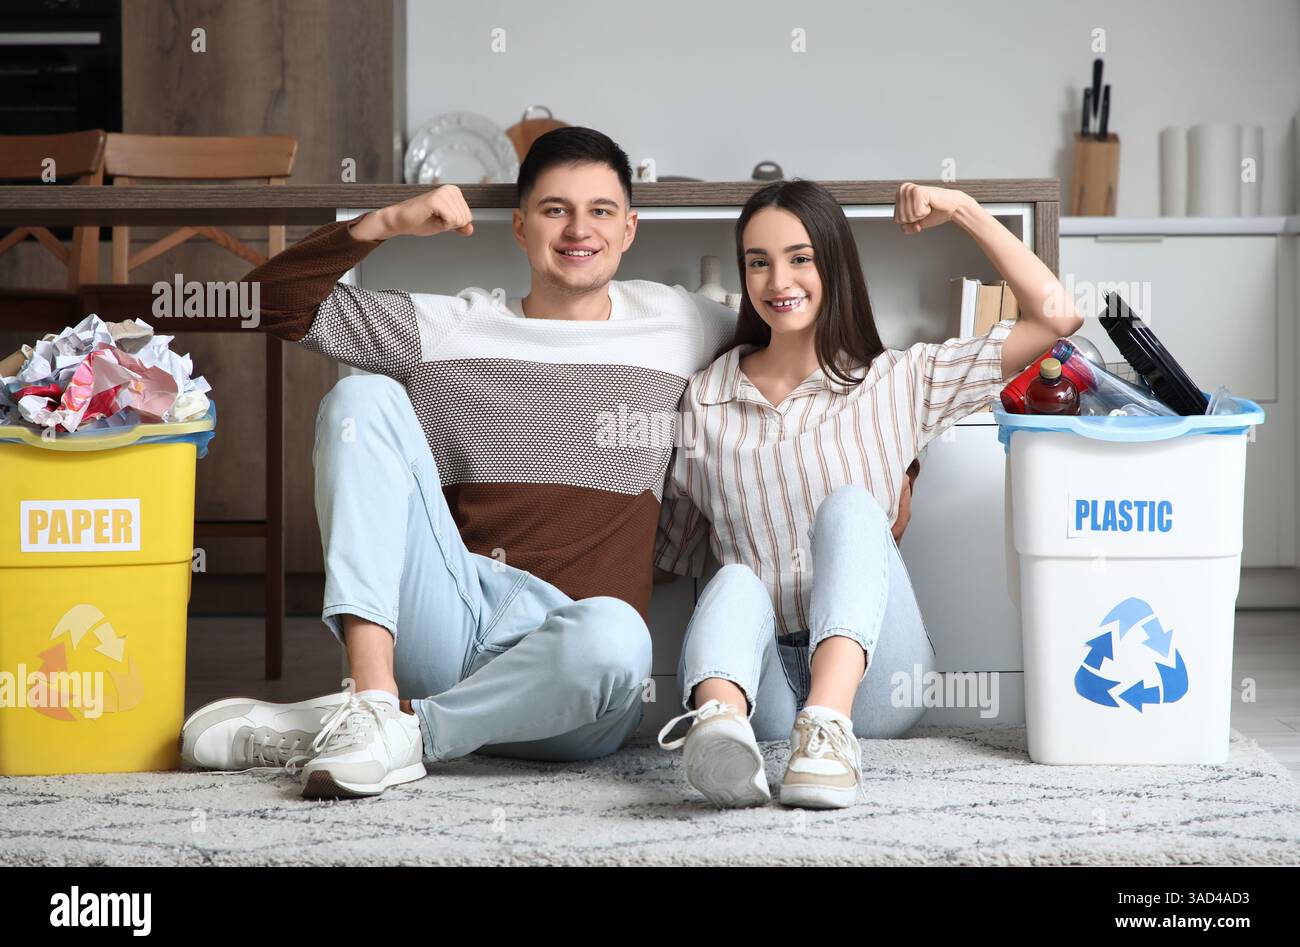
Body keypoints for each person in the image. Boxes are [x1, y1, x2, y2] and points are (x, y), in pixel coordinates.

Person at [180, 128, 738, 797]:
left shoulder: (680, 323)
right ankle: (374, 698)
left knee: (619, 634)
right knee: (362, 398)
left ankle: (398, 732)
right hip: (453, 625)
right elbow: (263, 305)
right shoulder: (446, 328)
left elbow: (809, 341)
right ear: (521, 225)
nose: (578, 229)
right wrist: (386, 223)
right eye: (555, 209)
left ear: (629, 229)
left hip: (574, 683)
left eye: (601, 211)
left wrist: (898, 472)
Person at [654, 178, 1084, 809]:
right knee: (734, 579)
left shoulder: (897, 381)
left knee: (851, 508)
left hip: (878, 682)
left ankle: (826, 731)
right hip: (763, 689)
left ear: (834, 264)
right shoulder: (703, 401)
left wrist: (964, 209)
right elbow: (670, 553)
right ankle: (717, 731)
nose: (779, 281)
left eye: (800, 258)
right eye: (759, 262)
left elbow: (1055, 317)